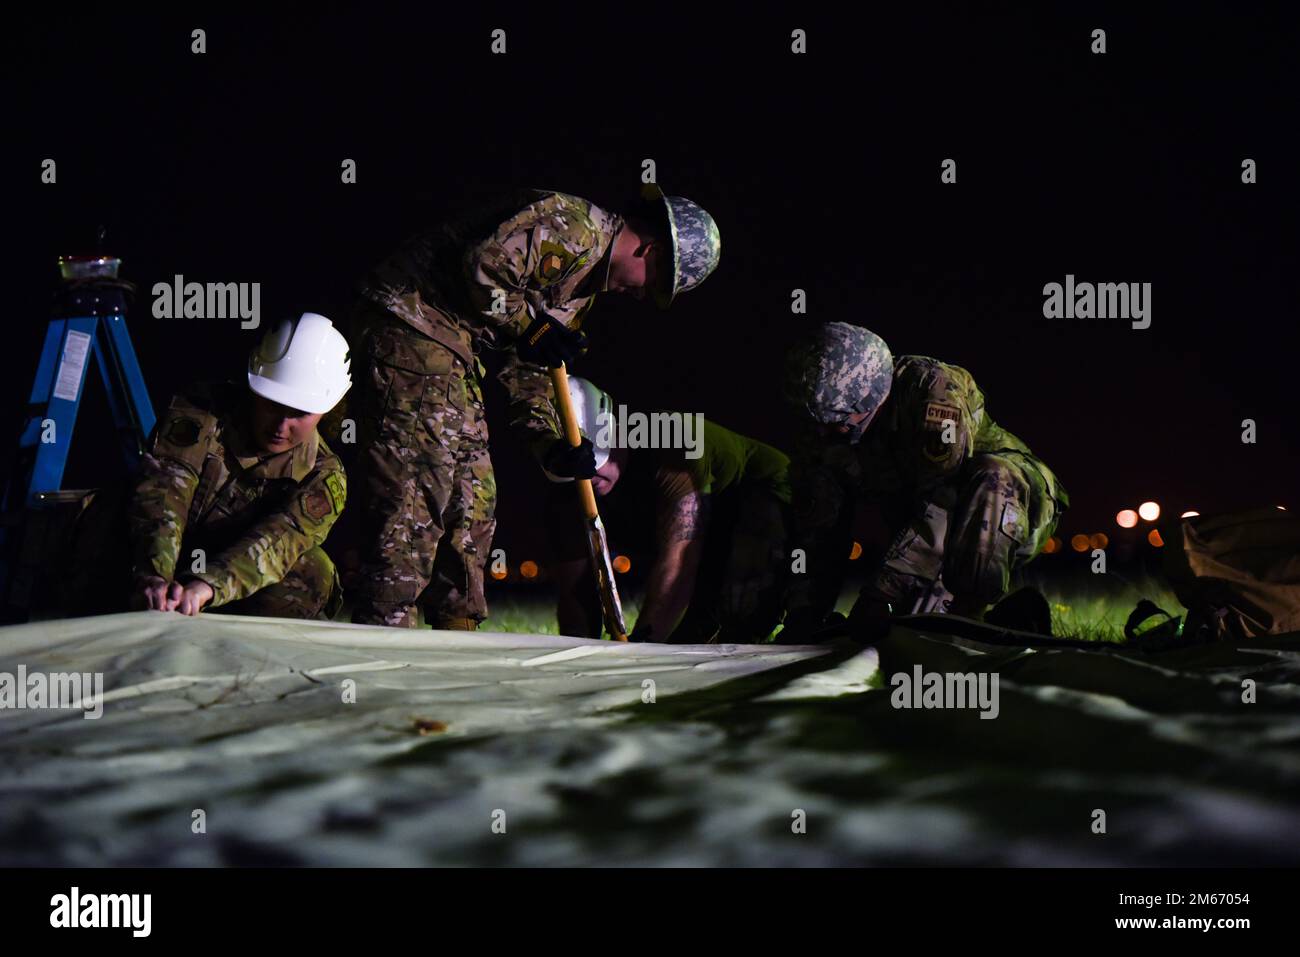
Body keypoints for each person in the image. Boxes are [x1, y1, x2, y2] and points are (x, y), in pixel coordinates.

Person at [346, 187, 721, 628]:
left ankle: (457, 631)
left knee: (474, 498)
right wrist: (532, 327)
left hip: (457, 353)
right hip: (410, 324)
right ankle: (386, 631)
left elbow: (528, 371)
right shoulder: (576, 226)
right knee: (420, 487)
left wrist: (550, 445)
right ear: (651, 249)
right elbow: (483, 266)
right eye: (655, 283)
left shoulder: (581, 295)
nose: (642, 296)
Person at [781, 322, 1068, 641]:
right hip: (928, 527)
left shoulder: (933, 391)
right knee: (914, 630)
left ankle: (971, 618)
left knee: (992, 472)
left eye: (839, 421)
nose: (825, 432)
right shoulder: (824, 429)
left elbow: (942, 502)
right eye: (819, 422)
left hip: (1010, 505)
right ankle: (1010, 619)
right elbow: (817, 528)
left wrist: (880, 594)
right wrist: (804, 613)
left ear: (873, 395)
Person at [74, 313, 351, 619]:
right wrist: (154, 576)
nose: (281, 425)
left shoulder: (324, 476)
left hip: (227, 582)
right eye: (272, 404)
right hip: (162, 558)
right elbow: (163, 491)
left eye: (299, 414)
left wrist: (207, 586)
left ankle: (242, 648)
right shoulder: (203, 409)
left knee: (313, 571)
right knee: (105, 514)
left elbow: (279, 542)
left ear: (328, 409)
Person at [543, 377, 789, 644]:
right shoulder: (566, 491)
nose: (587, 480)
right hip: (704, 539)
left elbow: (681, 561)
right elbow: (575, 588)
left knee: (734, 625)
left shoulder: (672, 442)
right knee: (685, 641)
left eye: (595, 463)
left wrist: (642, 647)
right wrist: (579, 649)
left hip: (768, 501)